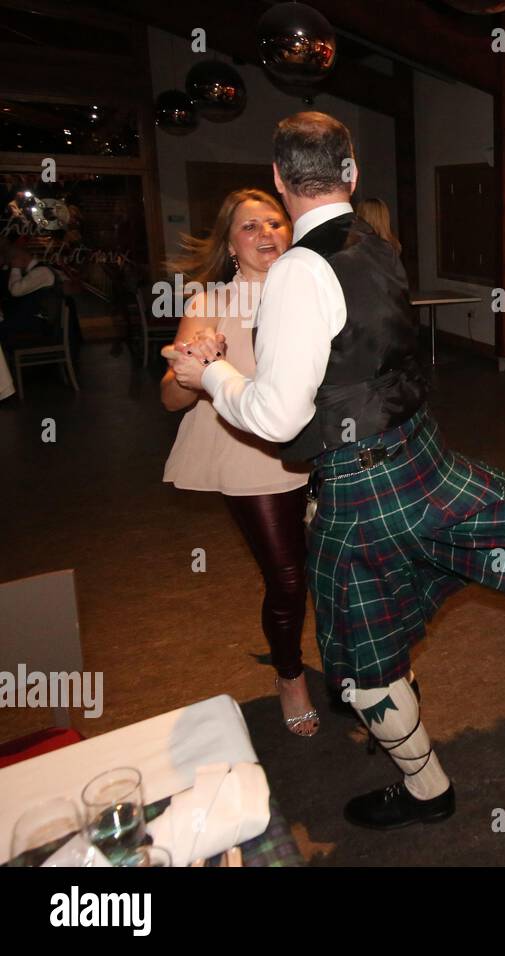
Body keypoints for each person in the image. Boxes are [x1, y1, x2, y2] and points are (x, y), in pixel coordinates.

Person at [167, 112, 505, 829]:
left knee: (361, 667)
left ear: (278, 178)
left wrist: (212, 375)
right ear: (352, 174)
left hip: (362, 488)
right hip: (419, 453)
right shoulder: (376, 242)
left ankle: (426, 787)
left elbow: (274, 418)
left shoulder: (300, 270)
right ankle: (399, 694)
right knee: (384, 619)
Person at [160, 188, 318, 737]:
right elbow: (170, 398)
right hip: (249, 450)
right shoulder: (209, 304)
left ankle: (350, 665)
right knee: (288, 576)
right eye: (250, 227)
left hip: (321, 446)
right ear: (230, 243)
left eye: (275, 222)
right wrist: (198, 370)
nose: (266, 234)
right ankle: (290, 675)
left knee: (334, 565)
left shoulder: (310, 292)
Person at [1, 239, 63, 355]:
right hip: (33, 320)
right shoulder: (36, 270)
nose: (8, 265)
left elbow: (15, 291)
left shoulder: (42, 271)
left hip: (41, 325)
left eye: (9, 262)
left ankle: (6, 368)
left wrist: (15, 268)